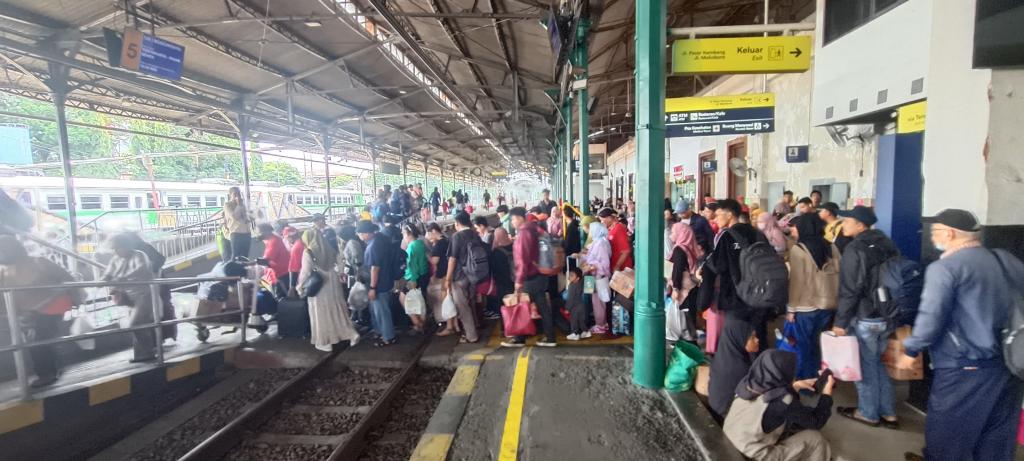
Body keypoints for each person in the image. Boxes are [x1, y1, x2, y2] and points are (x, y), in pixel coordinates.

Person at [896, 209, 1024, 461]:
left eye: (935, 231)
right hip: (1010, 364)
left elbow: (931, 316)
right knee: (997, 438)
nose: (932, 236)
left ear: (950, 233)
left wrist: (911, 349)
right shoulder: (1004, 259)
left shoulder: (945, 268)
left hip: (965, 366)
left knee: (947, 438)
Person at [831, 205, 900, 429]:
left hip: (864, 316)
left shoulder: (856, 248)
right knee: (878, 364)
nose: (844, 225)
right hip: (887, 315)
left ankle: (868, 413)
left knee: (864, 366)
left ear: (860, 225)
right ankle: (888, 412)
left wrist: (840, 322)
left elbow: (851, 289)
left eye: (848, 221)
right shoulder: (887, 243)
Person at [723, 350, 835, 461]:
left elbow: (774, 399)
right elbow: (816, 421)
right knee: (815, 439)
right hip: (752, 456)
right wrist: (827, 394)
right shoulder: (783, 401)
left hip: (729, 443)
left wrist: (795, 387)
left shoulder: (747, 384)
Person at [0, 236, 80, 387]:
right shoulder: (4, 271)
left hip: (52, 305)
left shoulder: (39, 262)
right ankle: (51, 369)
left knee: (39, 339)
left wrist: (75, 299)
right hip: (26, 312)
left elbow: (68, 279)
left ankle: (47, 373)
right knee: (36, 340)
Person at [697, 199, 770, 350]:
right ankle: (760, 367)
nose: (714, 219)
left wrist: (702, 271)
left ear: (729, 214)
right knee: (758, 335)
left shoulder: (728, 236)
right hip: (760, 294)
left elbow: (717, 266)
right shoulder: (757, 234)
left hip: (736, 295)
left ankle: (741, 369)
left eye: (717, 215)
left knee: (738, 337)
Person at [502, 207, 570, 347]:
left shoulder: (523, 234)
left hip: (529, 277)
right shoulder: (534, 229)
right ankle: (549, 337)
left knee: (521, 305)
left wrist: (518, 281)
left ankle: (519, 337)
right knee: (542, 307)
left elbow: (522, 259)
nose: (512, 222)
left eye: (513, 219)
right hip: (538, 275)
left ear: (520, 218)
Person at [786, 214, 841, 379]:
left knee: (804, 346)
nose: (792, 229)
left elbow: (797, 282)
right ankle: (820, 378)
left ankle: (805, 382)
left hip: (805, 306)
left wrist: (791, 309)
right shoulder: (831, 247)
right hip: (828, 304)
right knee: (819, 345)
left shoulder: (799, 249)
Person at [298, 226, 361, 351]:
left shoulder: (308, 252)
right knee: (338, 310)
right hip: (333, 281)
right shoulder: (330, 247)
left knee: (321, 313)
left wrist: (299, 286)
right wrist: (341, 273)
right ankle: (352, 335)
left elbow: (305, 272)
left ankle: (325, 342)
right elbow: (341, 261)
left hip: (319, 285)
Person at [102, 233, 159, 362]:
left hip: (143, 294)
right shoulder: (115, 259)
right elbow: (108, 273)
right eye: (114, 249)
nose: (115, 251)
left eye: (118, 248)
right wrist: (104, 280)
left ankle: (149, 352)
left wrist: (122, 278)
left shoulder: (139, 255)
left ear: (126, 246)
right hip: (128, 296)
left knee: (136, 323)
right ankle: (141, 354)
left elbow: (141, 269)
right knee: (138, 324)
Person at [708, 317, 758, 421]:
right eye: (752, 337)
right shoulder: (741, 369)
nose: (757, 340)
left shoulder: (724, 356)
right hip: (727, 415)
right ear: (740, 339)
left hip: (716, 408)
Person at [358, 220, 397, 347]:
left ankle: (388, 337)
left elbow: (375, 268)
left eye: (361, 233)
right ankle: (380, 331)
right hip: (386, 279)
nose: (360, 236)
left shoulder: (373, 246)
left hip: (379, 283)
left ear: (368, 233)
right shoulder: (381, 239)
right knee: (378, 310)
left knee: (381, 311)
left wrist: (373, 287)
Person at [445, 211, 483, 344]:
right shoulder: (475, 234)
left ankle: (471, 336)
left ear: (457, 223)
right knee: (471, 302)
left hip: (460, 276)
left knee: (463, 307)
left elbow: (452, 259)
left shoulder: (457, 236)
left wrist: (448, 279)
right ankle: (475, 327)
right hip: (474, 275)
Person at [668, 222, 704, 342]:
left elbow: (677, 270)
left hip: (684, 290)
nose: (671, 235)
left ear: (681, 234)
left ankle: (688, 346)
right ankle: (692, 343)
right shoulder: (689, 248)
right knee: (689, 318)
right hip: (692, 288)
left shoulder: (679, 249)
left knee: (685, 319)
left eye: (673, 232)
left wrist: (675, 289)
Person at [582, 221, 612, 335]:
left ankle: (601, 325)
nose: (589, 232)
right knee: (594, 301)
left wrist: (592, 266)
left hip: (598, 276)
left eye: (591, 230)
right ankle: (599, 323)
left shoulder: (601, 243)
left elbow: (605, 263)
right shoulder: (597, 242)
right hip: (591, 275)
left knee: (599, 301)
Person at [402, 224, 429, 335]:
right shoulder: (420, 243)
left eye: (403, 234)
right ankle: (421, 323)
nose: (403, 237)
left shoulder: (411, 247)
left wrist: (413, 280)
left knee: (404, 300)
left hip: (414, 277)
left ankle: (418, 324)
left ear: (408, 234)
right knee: (420, 301)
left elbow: (412, 266)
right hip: (423, 275)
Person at [488, 227, 515, 323]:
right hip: (517, 281)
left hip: (503, 283)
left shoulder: (496, 252)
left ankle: (509, 327)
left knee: (505, 306)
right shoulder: (515, 245)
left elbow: (493, 269)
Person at [598, 207, 633, 272]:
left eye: (602, 219)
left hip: (622, 268)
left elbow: (626, 251)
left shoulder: (618, 229)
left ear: (609, 218)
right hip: (615, 264)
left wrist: (617, 266)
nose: (601, 222)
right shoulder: (611, 228)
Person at [222, 186, 251, 261]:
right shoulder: (227, 205)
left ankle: (244, 272)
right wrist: (238, 205)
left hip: (246, 233)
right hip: (236, 233)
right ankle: (233, 271)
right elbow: (234, 217)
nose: (238, 196)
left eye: (239, 194)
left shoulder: (242, 204)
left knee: (245, 257)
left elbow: (246, 217)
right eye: (235, 194)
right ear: (230, 195)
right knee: (236, 256)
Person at [258, 223, 290, 290]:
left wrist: (250, 264)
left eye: (260, 232)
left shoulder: (274, 241)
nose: (259, 234)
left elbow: (266, 260)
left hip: (282, 274)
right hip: (280, 273)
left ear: (267, 231)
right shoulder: (271, 240)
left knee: (283, 298)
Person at [565, 268, 587, 341]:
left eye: (571, 276)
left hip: (574, 307)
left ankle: (575, 334)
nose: (569, 277)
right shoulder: (580, 282)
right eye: (569, 275)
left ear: (577, 278)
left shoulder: (571, 286)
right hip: (581, 305)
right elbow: (583, 277)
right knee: (581, 320)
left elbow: (570, 299)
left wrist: (567, 308)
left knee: (574, 320)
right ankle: (585, 332)